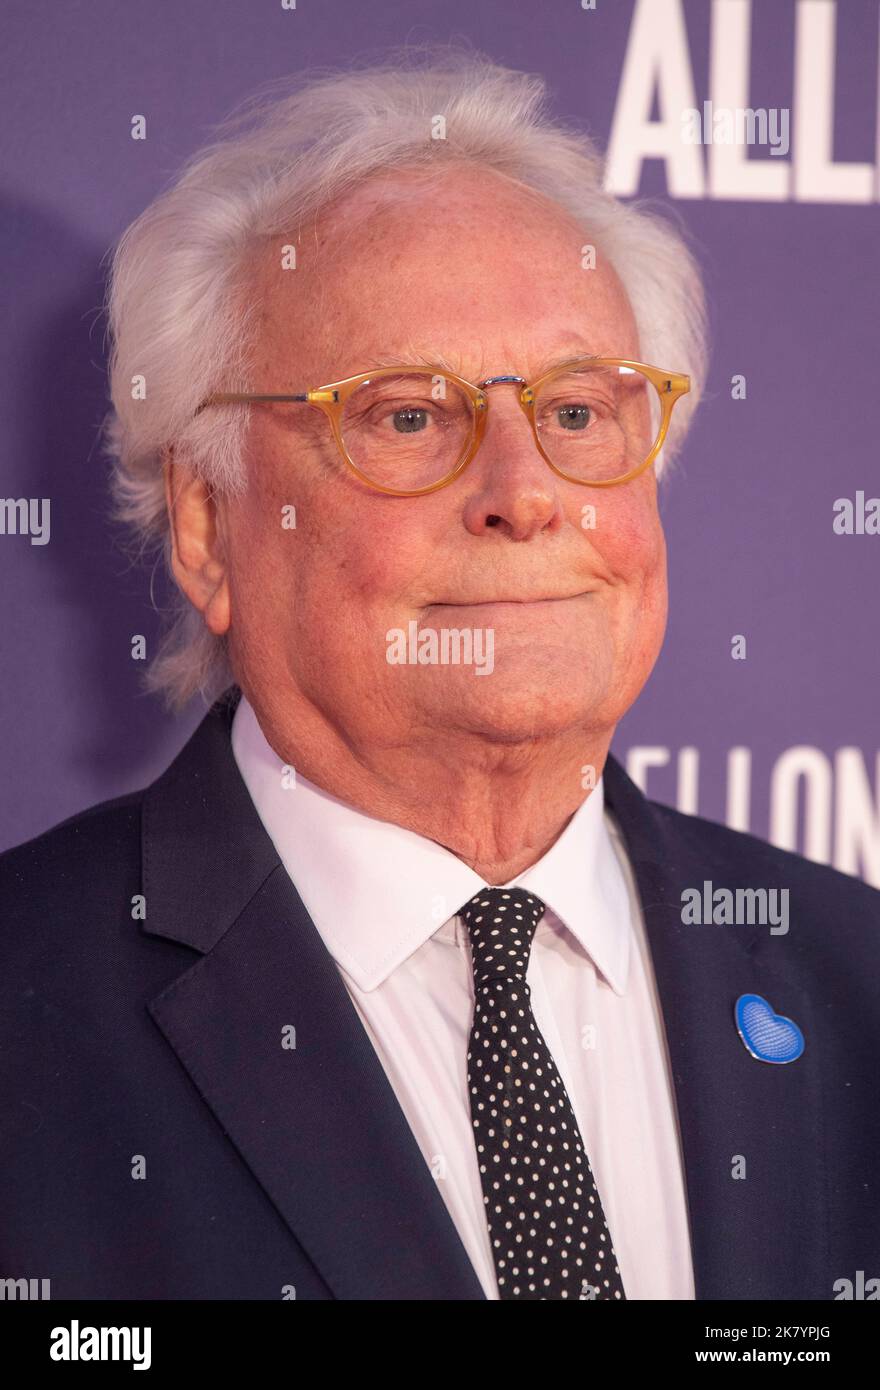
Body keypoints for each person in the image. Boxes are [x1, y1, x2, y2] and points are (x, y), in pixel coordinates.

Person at [2, 48, 878, 1301]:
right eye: (407, 415)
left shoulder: (852, 975)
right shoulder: (27, 1013)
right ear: (207, 522)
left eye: (579, 413)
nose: (523, 495)